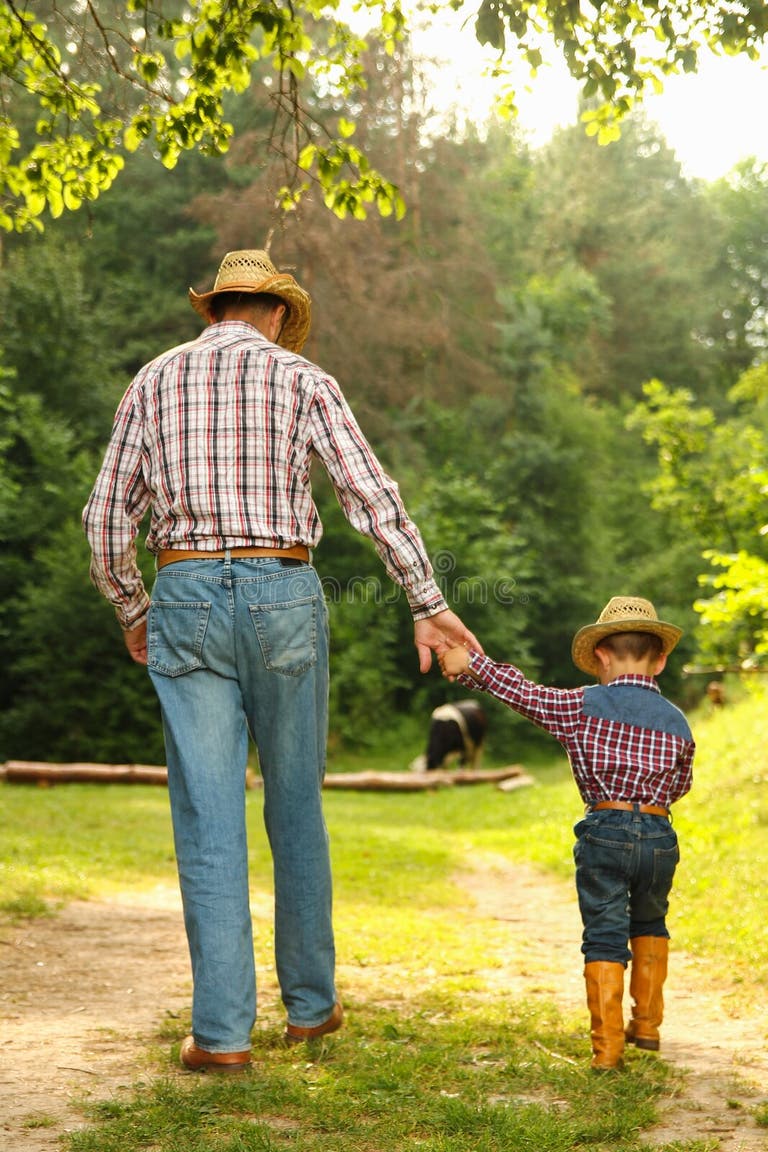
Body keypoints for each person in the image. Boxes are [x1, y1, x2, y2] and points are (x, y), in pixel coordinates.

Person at [83, 249, 481, 1072]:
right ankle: (310, 1010)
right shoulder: (304, 381)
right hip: (283, 590)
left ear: (217, 308)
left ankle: (222, 1037)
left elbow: (101, 523)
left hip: (183, 594)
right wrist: (427, 603)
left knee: (207, 817)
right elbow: (374, 499)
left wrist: (133, 609)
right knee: (296, 804)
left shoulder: (152, 382)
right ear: (273, 312)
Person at [439, 596, 694, 1071]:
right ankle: (649, 1026)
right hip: (660, 836)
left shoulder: (581, 706)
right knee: (650, 922)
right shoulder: (677, 720)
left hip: (605, 830)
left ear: (601, 654)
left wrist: (470, 662)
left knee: (603, 937)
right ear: (660, 660)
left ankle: (608, 1050)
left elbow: (523, 693)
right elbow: (682, 782)